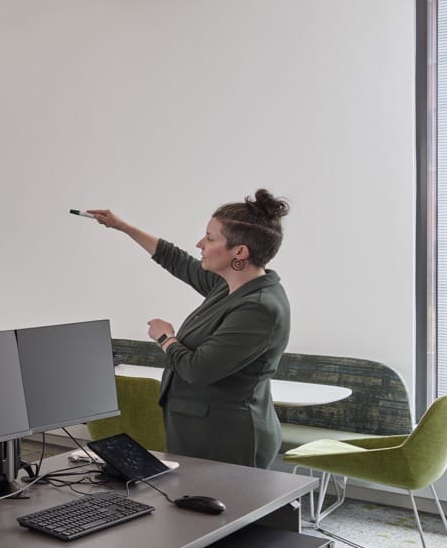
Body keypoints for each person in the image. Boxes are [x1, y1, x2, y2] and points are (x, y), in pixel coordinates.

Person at [86, 190, 293, 469]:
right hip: (199, 431)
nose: (200, 244)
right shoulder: (228, 286)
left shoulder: (259, 308)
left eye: (210, 238)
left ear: (240, 252)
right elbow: (177, 260)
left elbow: (198, 369)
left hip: (228, 439)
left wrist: (165, 338)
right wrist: (122, 226)